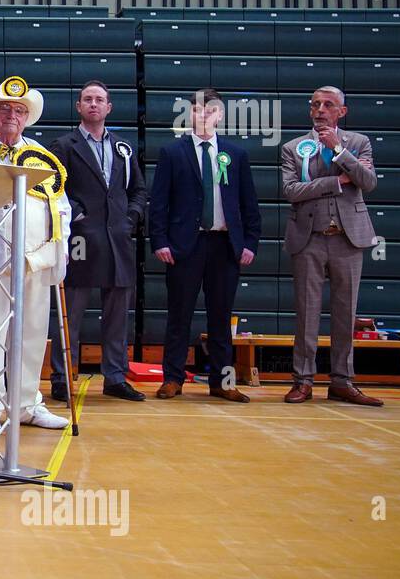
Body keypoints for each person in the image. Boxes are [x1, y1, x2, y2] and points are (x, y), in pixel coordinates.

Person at [0, 77, 72, 431]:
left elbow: (61, 209)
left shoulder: (42, 156)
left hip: (35, 261)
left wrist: (56, 255)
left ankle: (26, 403)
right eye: (4, 109)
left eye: (19, 110)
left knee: (32, 335)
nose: (12, 115)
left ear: (27, 118)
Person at [148, 88, 261, 402]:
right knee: (178, 315)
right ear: (190, 114)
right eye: (197, 109)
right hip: (186, 245)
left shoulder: (236, 155)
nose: (204, 115)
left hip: (225, 245)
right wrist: (160, 241)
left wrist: (249, 241)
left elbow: (248, 202)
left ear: (220, 115)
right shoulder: (172, 152)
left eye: (210, 110)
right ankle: (173, 379)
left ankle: (222, 382)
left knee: (221, 317)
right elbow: (159, 203)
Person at [281, 86, 382, 406]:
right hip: (308, 237)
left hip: (348, 238)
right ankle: (303, 380)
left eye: (328, 105)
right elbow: (291, 190)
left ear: (342, 111)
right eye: (315, 105)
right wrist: (337, 181)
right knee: (306, 312)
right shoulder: (293, 148)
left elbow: (368, 182)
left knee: (344, 312)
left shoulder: (358, 143)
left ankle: (342, 380)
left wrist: (338, 149)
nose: (320, 110)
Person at [48, 81, 148, 403]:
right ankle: (63, 376)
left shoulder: (123, 147)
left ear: (109, 108)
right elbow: (53, 188)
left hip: (117, 238)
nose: (93, 104)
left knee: (118, 311)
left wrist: (129, 219)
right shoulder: (64, 145)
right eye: (87, 99)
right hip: (79, 239)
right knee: (70, 312)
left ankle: (115, 377)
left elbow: (138, 191)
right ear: (79, 107)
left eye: (99, 100)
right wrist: (76, 215)